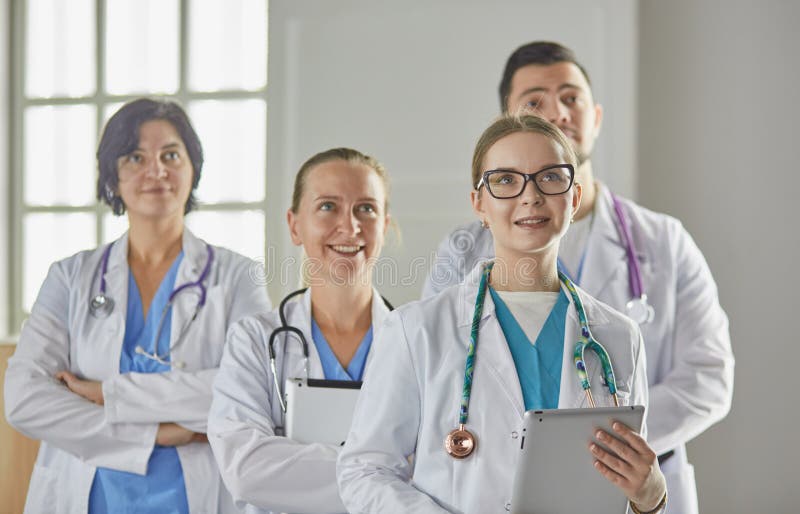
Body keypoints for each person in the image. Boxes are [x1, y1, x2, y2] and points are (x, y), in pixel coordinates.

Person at [421, 41, 734, 513]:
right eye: (535, 101)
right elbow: (435, 378)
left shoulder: (665, 241)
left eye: (572, 98)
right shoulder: (463, 251)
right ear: (508, 117)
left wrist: (604, 446)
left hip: (638, 490)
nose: (558, 112)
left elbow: (708, 378)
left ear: (597, 116)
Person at [338, 114, 668, 513]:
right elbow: (364, 471)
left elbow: (620, 490)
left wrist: (650, 499)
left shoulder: (618, 336)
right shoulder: (417, 330)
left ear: (575, 197)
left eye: (550, 177)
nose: (531, 196)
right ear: (479, 203)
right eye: (507, 180)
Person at [4, 98, 271, 513]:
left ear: (192, 168)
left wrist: (107, 393)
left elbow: (248, 389)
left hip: (193, 494)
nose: (156, 171)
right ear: (113, 175)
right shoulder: (70, 278)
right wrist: (161, 433)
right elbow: (24, 400)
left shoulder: (238, 277)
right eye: (135, 157)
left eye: (170, 155)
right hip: (90, 495)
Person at [208, 148, 394, 513]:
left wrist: (295, 466)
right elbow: (246, 470)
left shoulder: (415, 341)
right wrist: (385, 469)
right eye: (328, 206)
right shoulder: (254, 340)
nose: (350, 226)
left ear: (385, 226)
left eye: (366, 208)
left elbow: (440, 466)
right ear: (295, 226)